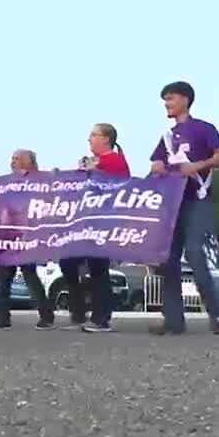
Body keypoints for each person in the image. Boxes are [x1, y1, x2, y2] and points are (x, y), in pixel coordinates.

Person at [146, 81, 219, 338]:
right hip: (172, 205)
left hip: (197, 201)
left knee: (195, 254)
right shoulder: (167, 137)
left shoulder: (203, 129)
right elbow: (157, 162)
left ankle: (217, 316)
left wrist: (197, 166)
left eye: (171, 98)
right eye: (165, 100)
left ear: (185, 100)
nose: (167, 104)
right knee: (168, 260)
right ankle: (173, 320)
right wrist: (157, 166)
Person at [57, 123, 130, 333]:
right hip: (85, 221)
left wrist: (94, 171)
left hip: (103, 222)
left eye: (93, 135)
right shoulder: (93, 161)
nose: (89, 139)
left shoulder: (114, 160)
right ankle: (79, 313)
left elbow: (118, 184)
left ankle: (101, 317)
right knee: (68, 262)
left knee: (99, 268)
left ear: (106, 139)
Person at [0, 150, 55, 331]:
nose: (13, 161)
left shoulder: (39, 182)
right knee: (3, 278)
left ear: (29, 162)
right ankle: (1, 317)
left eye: (17, 158)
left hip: (27, 236)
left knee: (30, 276)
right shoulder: (7, 183)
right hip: (8, 236)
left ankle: (46, 315)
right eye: (12, 158)